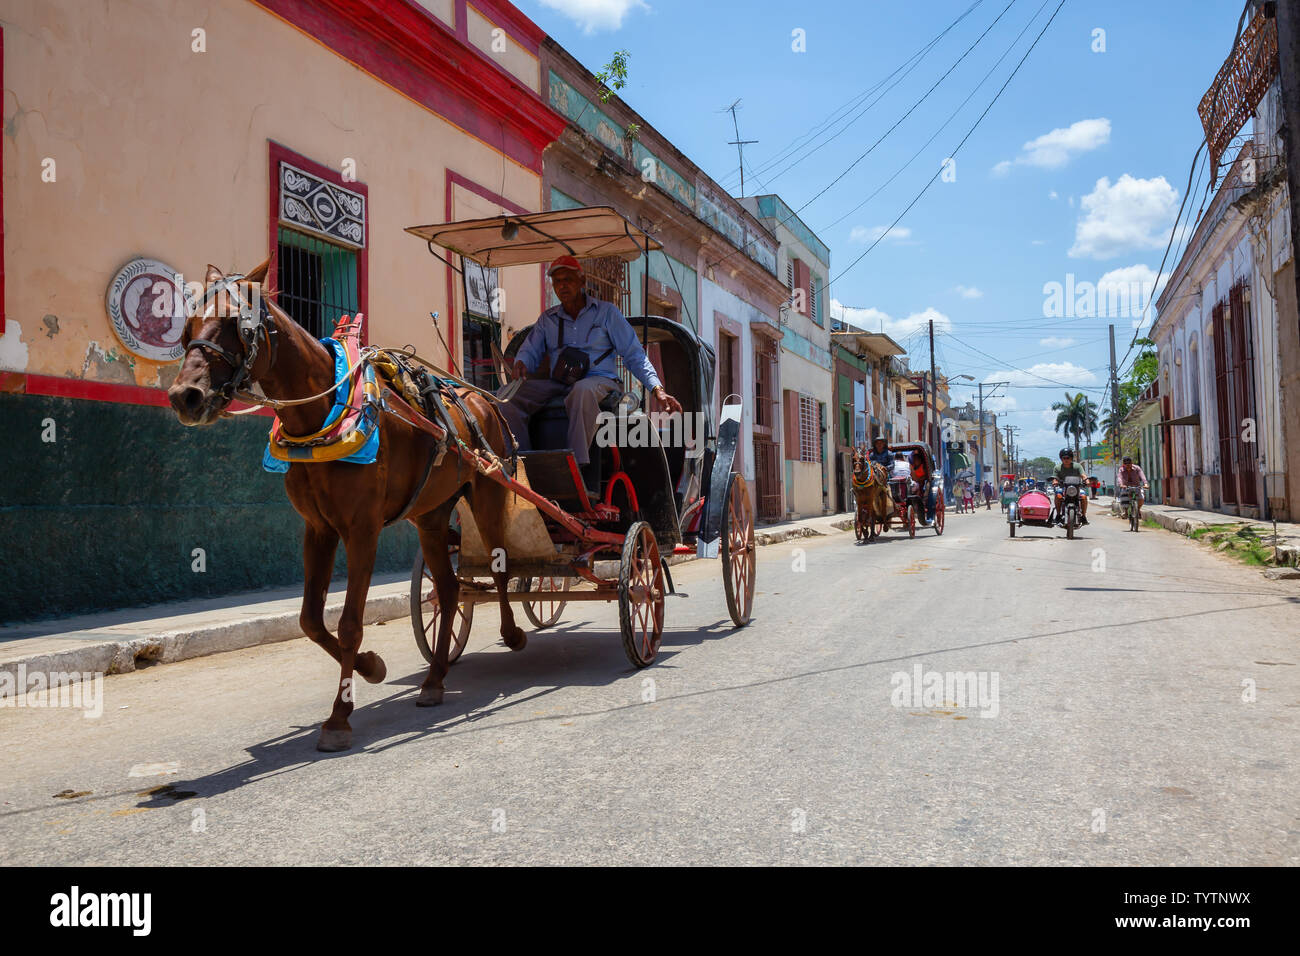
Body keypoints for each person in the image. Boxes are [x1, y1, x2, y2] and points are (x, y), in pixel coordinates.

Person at [498, 256, 681, 480]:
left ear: (582, 281)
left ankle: (577, 466)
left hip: (600, 381)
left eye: (568, 279)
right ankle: (521, 461)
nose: (562, 285)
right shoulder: (548, 319)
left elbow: (634, 354)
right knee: (505, 399)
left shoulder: (607, 313)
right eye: (557, 281)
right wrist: (521, 362)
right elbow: (530, 350)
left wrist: (657, 389)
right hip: (559, 383)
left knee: (582, 391)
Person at [1051, 448, 1089, 525]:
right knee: (1058, 495)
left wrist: (1086, 480)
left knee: (1084, 496)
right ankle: (1058, 515)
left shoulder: (1077, 466)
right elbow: (1055, 478)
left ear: (1071, 458)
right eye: (1064, 458)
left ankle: (1084, 516)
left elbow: (1083, 475)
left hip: (1076, 488)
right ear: (1061, 459)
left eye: (1068, 458)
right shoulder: (1057, 468)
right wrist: (1055, 482)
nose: (1066, 460)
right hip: (1063, 488)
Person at [1116, 455, 1149, 520]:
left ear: (1132, 463)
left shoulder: (1137, 468)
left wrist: (1145, 483)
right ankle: (1125, 512)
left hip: (1137, 486)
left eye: (1129, 464)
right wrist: (1121, 484)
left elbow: (1142, 475)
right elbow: (1119, 477)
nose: (1128, 465)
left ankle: (1138, 509)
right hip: (1126, 487)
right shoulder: (1121, 470)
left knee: (1141, 498)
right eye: (1126, 464)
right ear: (1123, 464)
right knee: (1124, 497)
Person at [910, 450, 937, 523]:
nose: (915, 461)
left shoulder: (924, 466)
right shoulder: (911, 466)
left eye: (917, 459)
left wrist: (919, 479)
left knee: (927, 486)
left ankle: (925, 500)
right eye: (914, 459)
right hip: (915, 482)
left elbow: (927, 476)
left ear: (920, 460)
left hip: (923, 481)